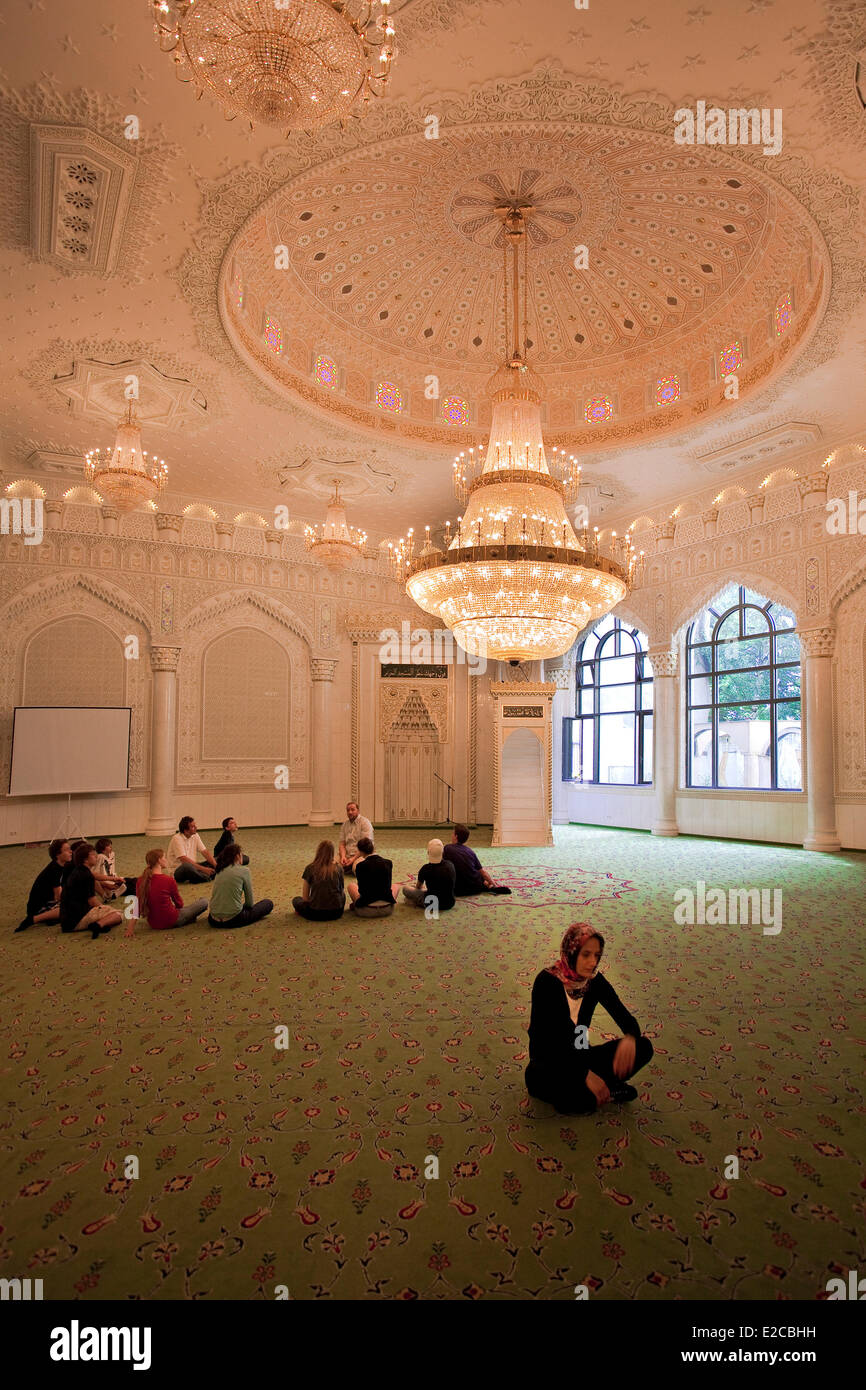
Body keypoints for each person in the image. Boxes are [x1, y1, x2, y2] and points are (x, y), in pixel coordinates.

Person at [525, 923, 654, 1114]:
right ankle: (607, 1089)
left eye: (597, 956)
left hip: (581, 1055)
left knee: (643, 1047)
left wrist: (630, 1037)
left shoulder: (593, 981)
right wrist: (584, 1074)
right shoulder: (547, 983)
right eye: (586, 954)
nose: (593, 962)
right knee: (577, 1102)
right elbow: (550, 1047)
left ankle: (603, 1089)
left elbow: (624, 1016)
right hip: (548, 1067)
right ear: (572, 951)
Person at [132, 848, 207, 933]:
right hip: (172, 920)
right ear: (159, 861)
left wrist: (130, 929)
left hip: (153, 924)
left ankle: (189, 918)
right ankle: (189, 919)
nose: (166, 860)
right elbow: (179, 904)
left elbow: (137, 905)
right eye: (164, 857)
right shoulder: (168, 880)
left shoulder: (140, 880)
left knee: (187, 912)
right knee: (204, 901)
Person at [59, 841, 124, 938]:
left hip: (67, 919)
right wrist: (106, 909)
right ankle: (99, 925)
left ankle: (99, 924)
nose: (97, 857)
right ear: (85, 860)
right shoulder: (85, 875)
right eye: (93, 855)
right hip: (75, 921)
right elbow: (93, 901)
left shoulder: (79, 871)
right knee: (118, 914)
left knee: (109, 913)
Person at [207, 843, 273, 928]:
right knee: (268, 903)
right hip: (234, 920)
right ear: (237, 856)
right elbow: (250, 903)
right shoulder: (244, 871)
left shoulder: (220, 870)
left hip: (213, 920)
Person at [17, 837, 72, 931]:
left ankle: (51, 918)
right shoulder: (54, 870)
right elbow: (58, 896)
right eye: (66, 850)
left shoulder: (61, 866)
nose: (71, 852)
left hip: (48, 902)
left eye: (69, 849)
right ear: (57, 855)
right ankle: (34, 919)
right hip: (38, 907)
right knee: (71, 907)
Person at [442, 824, 511, 896]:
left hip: (458, 889)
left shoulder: (447, 848)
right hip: (475, 887)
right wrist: (495, 886)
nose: (451, 835)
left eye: (453, 833)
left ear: (456, 836)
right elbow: (483, 873)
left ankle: (487, 885)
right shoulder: (470, 852)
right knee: (476, 873)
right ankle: (489, 886)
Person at [292, 840, 346, 921]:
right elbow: (341, 890)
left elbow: (305, 898)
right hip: (336, 912)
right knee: (343, 895)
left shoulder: (310, 868)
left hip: (315, 914)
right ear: (332, 853)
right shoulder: (338, 868)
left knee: (296, 900)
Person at [402, 837, 456, 913]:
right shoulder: (450, 865)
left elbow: (418, 887)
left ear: (428, 852)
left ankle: (415, 902)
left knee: (405, 889)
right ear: (442, 852)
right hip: (450, 903)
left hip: (432, 903)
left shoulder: (425, 869)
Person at [347, 837, 396, 918]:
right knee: (395, 886)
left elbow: (361, 890)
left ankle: (357, 904)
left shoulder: (360, 866)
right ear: (373, 848)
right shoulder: (388, 863)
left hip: (365, 910)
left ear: (361, 851)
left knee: (351, 886)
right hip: (387, 909)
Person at [167, 816, 216, 882]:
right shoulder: (177, 839)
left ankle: (202, 875)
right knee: (187, 866)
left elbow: (205, 852)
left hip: (194, 866)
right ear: (186, 831)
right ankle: (207, 877)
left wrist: (216, 865)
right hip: (178, 870)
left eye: (195, 825)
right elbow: (184, 860)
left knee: (216, 859)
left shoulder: (195, 835)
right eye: (193, 826)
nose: (196, 827)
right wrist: (204, 869)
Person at [338, 802, 373, 874]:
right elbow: (342, 844)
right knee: (331, 866)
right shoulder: (344, 825)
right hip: (347, 854)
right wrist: (343, 857)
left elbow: (365, 847)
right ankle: (348, 867)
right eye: (348, 810)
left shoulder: (365, 823)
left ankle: (350, 867)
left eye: (352, 809)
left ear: (358, 810)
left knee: (358, 869)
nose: (350, 812)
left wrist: (353, 859)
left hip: (362, 854)